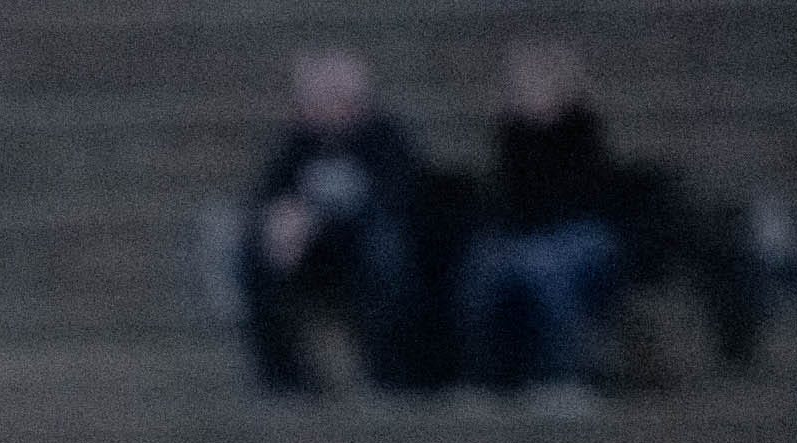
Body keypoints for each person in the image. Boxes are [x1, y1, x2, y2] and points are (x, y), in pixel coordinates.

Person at [240, 50, 436, 395]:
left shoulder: (385, 139)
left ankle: (390, 374)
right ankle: (283, 377)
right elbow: (268, 198)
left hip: (363, 253)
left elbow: (397, 203)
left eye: (336, 97)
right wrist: (280, 225)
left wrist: (318, 222)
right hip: (310, 258)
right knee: (255, 255)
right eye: (317, 98)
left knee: (387, 254)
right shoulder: (296, 144)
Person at [456, 41, 630, 403]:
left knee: (547, 270)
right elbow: (504, 199)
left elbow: (575, 198)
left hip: (579, 236)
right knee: (482, 268)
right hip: (523, 237)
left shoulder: (581, 130)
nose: (524, 91)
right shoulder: (512, 134)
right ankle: (485, 377)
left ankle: (563, 377)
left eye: (533, 82)